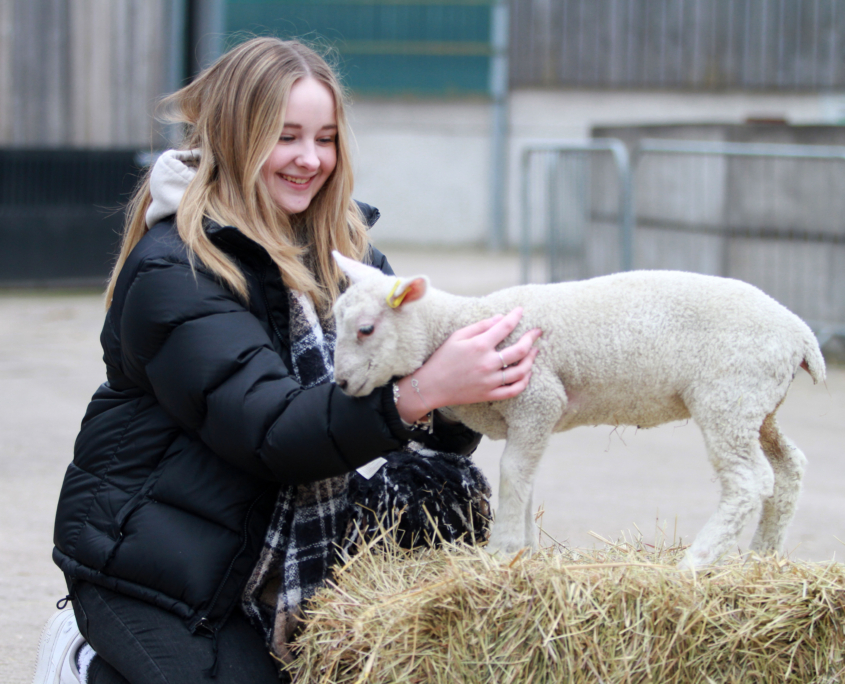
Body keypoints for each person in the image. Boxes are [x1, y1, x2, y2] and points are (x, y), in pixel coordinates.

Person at [32, 37, 541, 683]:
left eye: (324, 138)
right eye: (286, 136)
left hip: (287, 542)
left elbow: (426, 417)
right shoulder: (174, 268)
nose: (309, 159)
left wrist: (476, 382)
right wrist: (416, 393)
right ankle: (90, 662)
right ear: (236, 137)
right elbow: (270, 432)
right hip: (165, 568)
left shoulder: (348, 259)